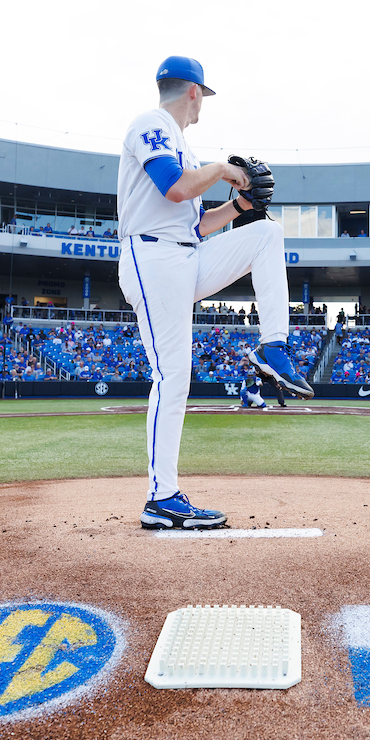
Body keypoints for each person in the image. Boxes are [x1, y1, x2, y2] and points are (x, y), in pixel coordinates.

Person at [118, 56, 310, 532]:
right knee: (173, 377)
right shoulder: (152, 124)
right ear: (194, 92)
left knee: (266, 233)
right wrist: (223, 167)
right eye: (204, 95)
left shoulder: (181, 141)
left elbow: (195, 225)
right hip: (152, 260)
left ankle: (273, 346)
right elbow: (177, 188)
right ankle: (161, 497)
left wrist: (238, 206)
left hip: (183, 254)